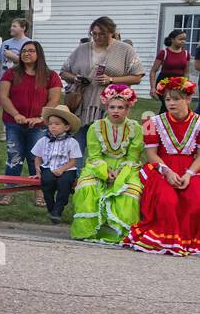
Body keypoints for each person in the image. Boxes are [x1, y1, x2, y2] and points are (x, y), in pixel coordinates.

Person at [125, 77, 200, 255]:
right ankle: (168, 238)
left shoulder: (198, 123)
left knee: (195, 199)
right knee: (168, 200)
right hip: (162, 167)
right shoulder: (153, 123)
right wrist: (166, 171)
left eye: (176, 99)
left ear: (188, 99)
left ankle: (189, 240)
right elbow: (151, 154)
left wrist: (189, 174)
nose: (171, 103)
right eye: (167, 99)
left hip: (191, 168)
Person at [59, 16, 145, 159]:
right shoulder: (82, 49)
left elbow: (137, 76)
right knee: (76, 146)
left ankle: (104, 175)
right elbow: (63, 71)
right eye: (94, 34)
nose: (97, 37)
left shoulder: (124, 50)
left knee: (107, 146)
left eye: (102, 34)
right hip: (81, 104)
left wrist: (111, 80)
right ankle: (76, 177)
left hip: (110, 106)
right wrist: (75, 78)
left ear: (111, 32)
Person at [71, 85, 143, 244]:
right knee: (86, 186)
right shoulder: (95, 127)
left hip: (126, 168)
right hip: (99, 165)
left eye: (120, 107)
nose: (115, 111)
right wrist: (105, 171)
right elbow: (95, 154)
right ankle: (88, 231)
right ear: (106, 107)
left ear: (128, 109)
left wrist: (120, 172)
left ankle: (119, 233)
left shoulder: (135, 128)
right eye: (112, 107)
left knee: (131, 192)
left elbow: (133, 155)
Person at [0, 39, 62, 205]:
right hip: (14, 123)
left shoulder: (50, 76)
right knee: (14, 157)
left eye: (31, 51)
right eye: (24, 51)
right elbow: (3, 96)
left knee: (37, 159)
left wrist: (41, 118)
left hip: (39, 126)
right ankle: (8, 191)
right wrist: (16, 114)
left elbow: (54, 100)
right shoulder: (11, 73)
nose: (26, 53)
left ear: (38, 54)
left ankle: (39, 193)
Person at [32, 105, 83, 224]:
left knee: (64, 184)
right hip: (48, 167)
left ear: (66, 127)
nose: (53, 126)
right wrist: (38, 171)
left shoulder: (72, 142)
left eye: (57, 124)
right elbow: (37, 157)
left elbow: (73, 161)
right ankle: (51, 209)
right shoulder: (43, 140)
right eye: (50, 124)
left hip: (67, 169)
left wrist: (62, 169)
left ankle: (58, 210)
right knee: (47, 183)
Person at [0, 18, 30, 140]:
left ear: (23, 28)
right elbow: (0, 62)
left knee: (20, 103)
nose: (11, 28)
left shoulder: (29, 44)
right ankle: (4, 131)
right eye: (11, 25)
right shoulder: (5, 43)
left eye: (14, 26)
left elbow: (30, 63)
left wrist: (14, 57)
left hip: (22, 79)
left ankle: (23, 126)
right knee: (5, 103)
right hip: (5, 79)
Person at [150, 29, 191, 115]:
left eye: (184, 39)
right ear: (172, 40)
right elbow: (153, 71)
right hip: (164, 83)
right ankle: (160, 124)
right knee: (167, 106)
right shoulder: (164, 53)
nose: (183, 41)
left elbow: (186, 72)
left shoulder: (186, 54)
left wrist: (187, 85)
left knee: (177, 107)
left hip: (179, 83)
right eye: (180, 39)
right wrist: (153, 88)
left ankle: (168, 124)